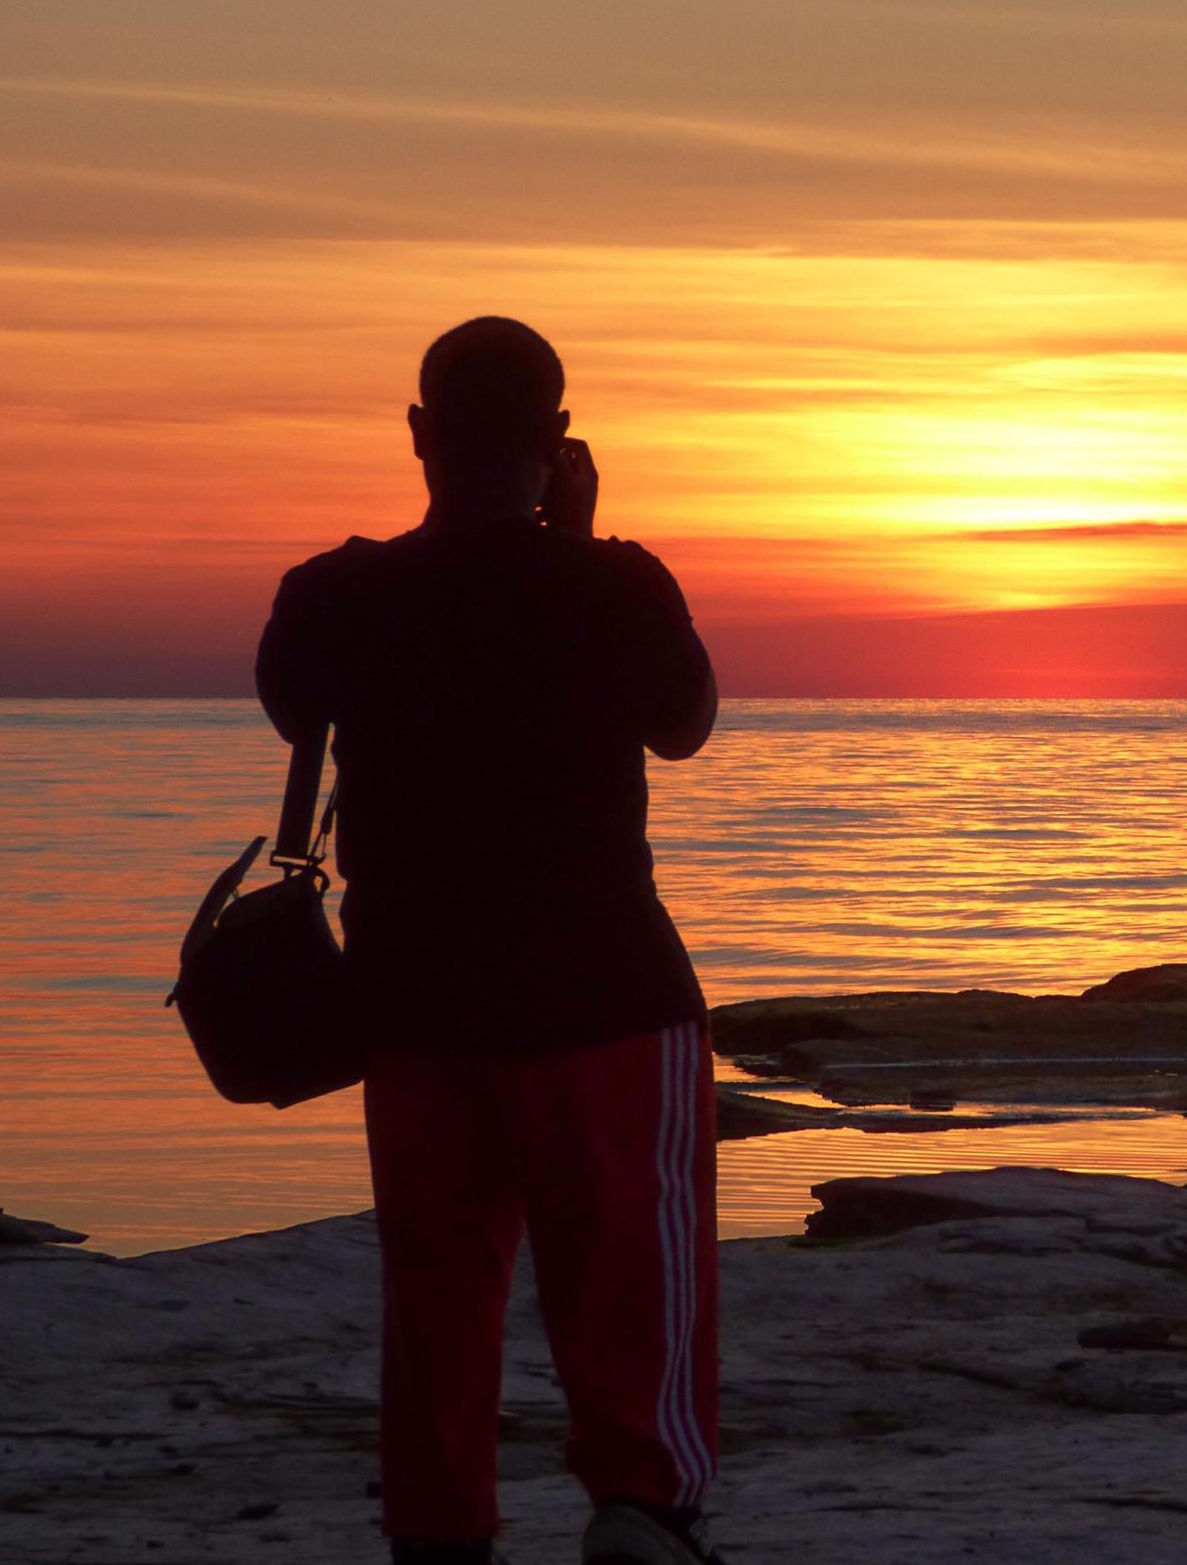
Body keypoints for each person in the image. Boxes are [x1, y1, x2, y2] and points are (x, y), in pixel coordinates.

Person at [256, 316, 727, 1565]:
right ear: (558, 441)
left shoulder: (334, 594)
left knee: (437, 1303)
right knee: (633, 1284)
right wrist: (577, 544)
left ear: (419, 434)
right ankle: (642, 1509)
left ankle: (439, 1527)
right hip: (608, 998)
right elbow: (685, 723)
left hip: (416, 1006)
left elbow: (290, 705)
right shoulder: (612, 582)